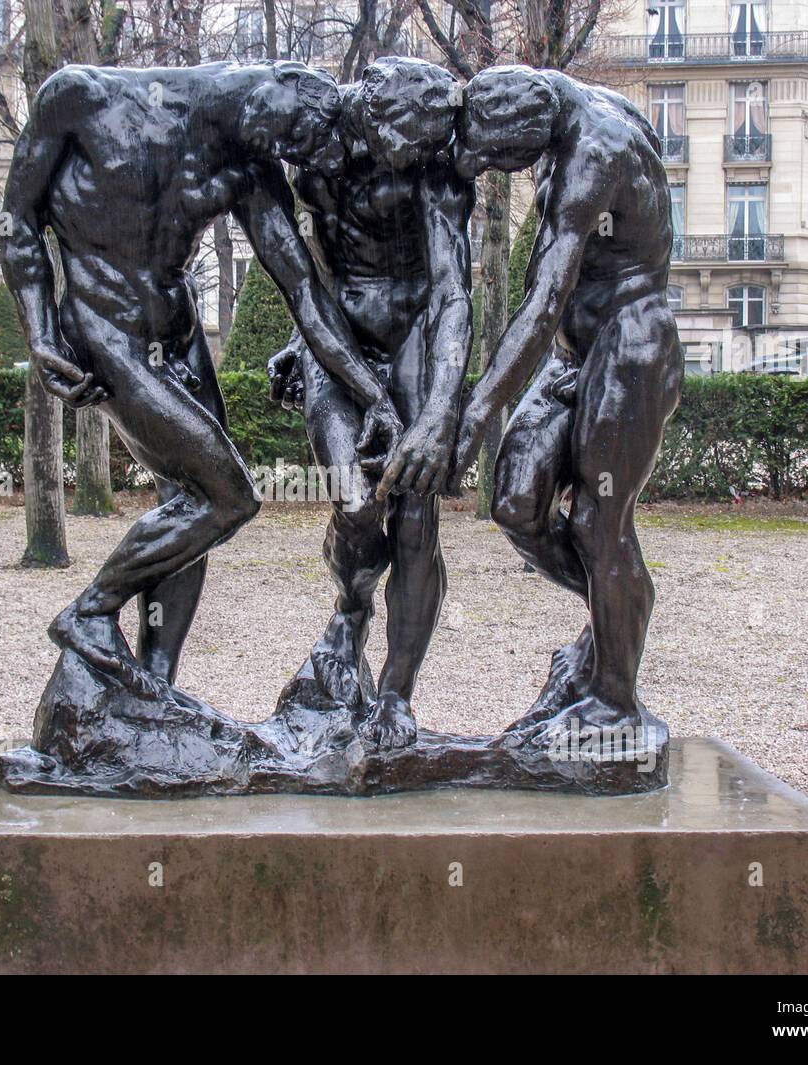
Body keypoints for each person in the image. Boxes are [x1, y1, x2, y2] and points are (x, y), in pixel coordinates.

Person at [2, 62, 402, 693]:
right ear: (279, 84)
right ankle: (90, 610)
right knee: (227, 497)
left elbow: (302, 290)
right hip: (103, 332)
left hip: (177, 335)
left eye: (294, 150)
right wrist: (40, 331)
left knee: (182, 501)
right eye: (291, 135)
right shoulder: (80, 97)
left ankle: (156, 681)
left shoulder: (248, 164)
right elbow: (17, 220)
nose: (284, 154)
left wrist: (373, 393)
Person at [450, 65, 685, 741]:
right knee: (515, 502)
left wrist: (476, 412)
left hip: (632, 342)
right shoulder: (561, 113)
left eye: (505, 160)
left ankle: (615, 698)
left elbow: (545, 295)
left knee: (595, 521)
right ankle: (614, 614)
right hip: (574, 355)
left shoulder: (596, 148)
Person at [269, 57, 473, 747]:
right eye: (408, 148)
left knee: (415, 515)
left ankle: (396, 696)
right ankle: (349, 612)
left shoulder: (435, 160)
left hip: (415, 330)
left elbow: (451, 292)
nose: (419, 159)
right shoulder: (315, 144)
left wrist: (443, 405)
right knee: (355, 504)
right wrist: (306, 343)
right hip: (340, 338)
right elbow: (309, 272)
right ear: (375, 123)